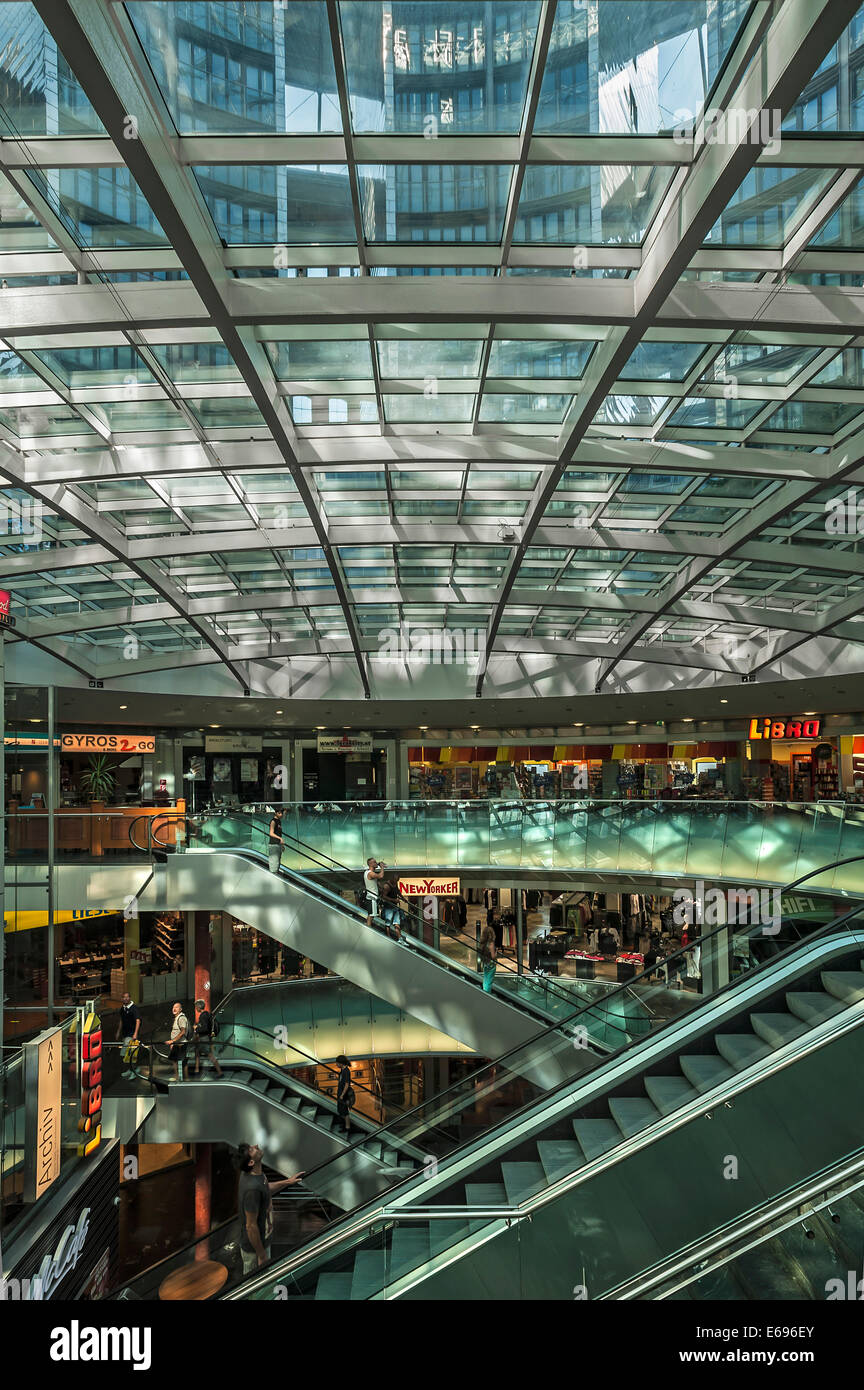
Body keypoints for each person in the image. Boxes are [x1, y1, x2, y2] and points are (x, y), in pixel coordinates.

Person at [234, 1143, 304, 1275]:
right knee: (255, 1288)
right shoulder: (252, 1190)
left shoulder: (255, 1174)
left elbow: (265, 1187)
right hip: (255, 1250)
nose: (256, 1145)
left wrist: (287, 1182)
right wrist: (261, 1255)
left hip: (262, 1241)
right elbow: (251, 1226)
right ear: (251, 1162)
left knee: (265, 1282)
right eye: (251, 1149)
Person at [192, 998, 223, 1077]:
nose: (195, 1008)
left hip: (204, 1039)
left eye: (196, 1007)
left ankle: (220, 1072)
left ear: (198, 1007)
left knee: (210, 1055)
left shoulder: (203, 1016)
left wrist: (196, 1028)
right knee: (197, 1052)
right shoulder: (208, 1014)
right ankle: (196, 1069)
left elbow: (204, 1028)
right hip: (206, 1038)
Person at [116, 992, 141, 1080]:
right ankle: (132, 1069)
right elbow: (121, 1020)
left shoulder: (134, 1008)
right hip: (125, 1034)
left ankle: (134, 1070)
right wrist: (118, 1031)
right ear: (122, 998)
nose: (126, 999)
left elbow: (138, 1020)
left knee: (129, 1054)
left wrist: (135, 1033)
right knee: (126, 1055)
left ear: (130, 998)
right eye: (124, 997)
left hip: (131, 1035)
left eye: (127, 997)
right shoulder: (122, 1009)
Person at [165, 1000, 190, 1083]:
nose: (174, 1009)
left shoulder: (182, 1018)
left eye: (176, 1007)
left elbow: (183, 1031)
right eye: (173, 1007)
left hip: (181, 1044)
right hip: (177, 1043)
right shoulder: (176, 1018)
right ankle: (177, 1077)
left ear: (181, 1009)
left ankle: (185, 1079)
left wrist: (173, 1041)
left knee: (183, 1061)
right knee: (174, 1060)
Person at [335, 1054, 356, 1138]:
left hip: (343, 1094)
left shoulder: (346, 1071)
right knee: (341, 1110)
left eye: (337, 1063)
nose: (336, 1064)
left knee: (344, 1111)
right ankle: (344, 1125)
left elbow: (347, 1084)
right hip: (341, 1093)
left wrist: (342, 1095)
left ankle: (347, 1127)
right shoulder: (342, 1070)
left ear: (341, 1063)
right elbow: (342, 1081)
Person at [363, 856, 385, 928]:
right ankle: (368, 929)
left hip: (372, 897)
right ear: (370, 864)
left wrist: (380, 888)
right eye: (374, 862)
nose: (376, 863)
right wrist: (381, 867)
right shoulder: (370, 873)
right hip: (372, 898)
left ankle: (368, 927)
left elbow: (375, 882)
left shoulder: (369, 872)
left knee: (372, 915)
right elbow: (381, 876)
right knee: (371, 915)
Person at [478, 918, 497, 992]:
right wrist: (496, 952)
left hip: (485, 963)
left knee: (485, 979)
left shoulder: (483, 943)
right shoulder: (491, 944)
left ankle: (485, 992)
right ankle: (487, 994)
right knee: (489, 980)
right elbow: (493, 956)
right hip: (491, 964)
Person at [268, 809, 284, 873]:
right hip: (273, 844)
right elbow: (271, 833)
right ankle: (273, 875)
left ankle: (276, 874)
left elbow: (278, 833)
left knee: (277, 862)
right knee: (274, 862)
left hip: (278, 844)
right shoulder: (273, 821)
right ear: (275, 813)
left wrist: (282, 845)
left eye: (282, 813)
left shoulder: (279, 821)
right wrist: (280, 839)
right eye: (279, 813)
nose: (281, 815)